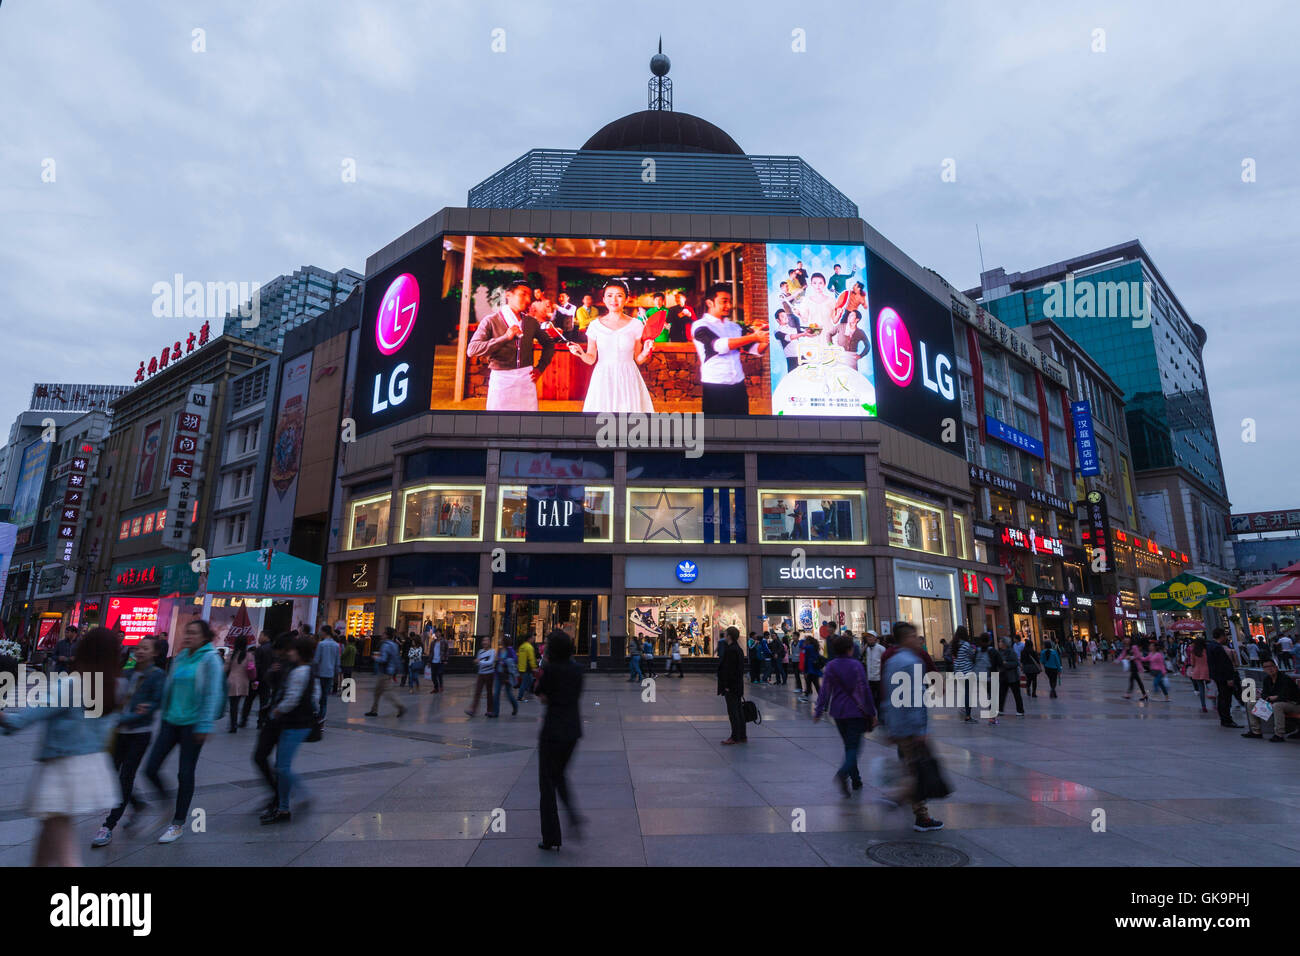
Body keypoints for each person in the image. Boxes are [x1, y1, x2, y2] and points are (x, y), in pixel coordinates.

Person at [0, 627, 121, 865]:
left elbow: (20, 720)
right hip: (92, 768)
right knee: (50, 830)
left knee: (65, 847)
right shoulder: (113, 687)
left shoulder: (73, 684)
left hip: (63, 769)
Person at [143, 619, 225, 845]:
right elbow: (170, 687)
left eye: (193, 633)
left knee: (185, 773)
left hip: (193, 724)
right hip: (171, 721)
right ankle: (167, 805)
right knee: (150, 768)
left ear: (205, 637)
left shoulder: (210, 660)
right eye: (186, 632)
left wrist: (205, 725)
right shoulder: (180, 656)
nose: (188, 636)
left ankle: (177, 823)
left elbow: (212, 694)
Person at [879, 622, 944, 832]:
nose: (918, 640)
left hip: (898, 724)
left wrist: (889, 725)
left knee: (912, 768)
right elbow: (914, 699)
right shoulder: (911, 662)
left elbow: (888, 695)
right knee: (919, 771)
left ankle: (917, 812)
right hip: (911, 727)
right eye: (915, 636)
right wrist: (921, 729)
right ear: (906, 638)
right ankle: (899, 800)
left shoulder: (892, 660)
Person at [566, 279, 656, 413]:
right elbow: (591, 358)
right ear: (604, 299)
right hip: (603, 377)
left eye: (619, 295)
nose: (614, 299)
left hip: (628, 376)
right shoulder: (595, 325)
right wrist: (580, 353)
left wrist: (646, 351)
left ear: (626, 298)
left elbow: (638, 359)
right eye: (609, 295)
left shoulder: (636, 325)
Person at [467, 281, 556, 412]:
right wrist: (505, 338)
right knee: (499, 424)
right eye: (523, 294)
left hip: (527, 380)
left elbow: (549, 344)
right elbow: (472, 349)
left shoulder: (531, 322)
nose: (527, 299)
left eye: (529, 295)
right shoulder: (491, 321)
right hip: (501, 381)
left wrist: (540, 368)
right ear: (508, 295)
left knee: (527, 424)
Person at [261, 634, 321, 824]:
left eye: (293, 650)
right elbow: (316, 696)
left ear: (300, 652)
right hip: (298, 723)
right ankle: (283, 805)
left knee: (282, 767)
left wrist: (276, 711)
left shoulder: (300, 671)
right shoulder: (308, 670)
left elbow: (292, 698)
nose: (290, 652)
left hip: (295, 723)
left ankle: (284, 807)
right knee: (282, 766)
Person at [535, 630, 585, 850]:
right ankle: (573, 813)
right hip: (573, 730)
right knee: (560, 774)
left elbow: (542, 696)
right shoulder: (578, 669)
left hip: (552, 731)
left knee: (547, 784)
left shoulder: (551, 669)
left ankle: (551, 837)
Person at [690, 282, 768, 415]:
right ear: (710, 303)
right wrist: (753, 337)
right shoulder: (700, 326)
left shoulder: (734, 327)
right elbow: (718, 346)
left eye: (730, 301)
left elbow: (755, 349)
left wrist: (765, 336)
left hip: (738, 386)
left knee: (741, 430)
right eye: (724, 301)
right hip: (715, 387)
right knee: (716, 432)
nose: (729, 306)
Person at [814, 633, 876, 796]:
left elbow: (825, 690)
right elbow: (865, 690)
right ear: (850, 649)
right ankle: (843, 773)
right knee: (854, 747)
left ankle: (856, 780)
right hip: (855, 711)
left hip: (838, 712)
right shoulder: (856, 665)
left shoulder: (831, 666)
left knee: (849, 746)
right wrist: (872, 712)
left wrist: (819, 710)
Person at [1241, 657, 1300, 741]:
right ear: (1264, 670)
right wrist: (1271, 698)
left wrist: (1274, 698)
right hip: (1276, 703)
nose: (1270, 669)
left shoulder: (1285, 679)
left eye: (1271, 666)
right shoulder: (1267, 680)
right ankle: (1256, 732)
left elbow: (1285, 696)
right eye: (1266, 667)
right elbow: (1264, 694)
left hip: (1294, 705)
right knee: (1251, 703)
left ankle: (1279, 734)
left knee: (1277, 705)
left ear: (1276, 667)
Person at [364, 629, 405, 718]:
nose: (382, 635)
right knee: (377, 691)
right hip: (390, 670)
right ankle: (374, 710)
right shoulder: (394, 645)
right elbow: (396, 658)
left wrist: (375, 658)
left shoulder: (385, 645)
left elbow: (384, 659)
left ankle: (400, 706)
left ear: (386, 635)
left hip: (384, 671)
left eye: (383, 633)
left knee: (387, 691)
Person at [1207, 627, 1242, 728]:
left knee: (1222, 698)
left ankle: (1224, 718)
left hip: (1218, 676)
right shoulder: (1217, 647)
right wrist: (1229, 678)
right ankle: (1227, 719)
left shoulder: (1210, 646)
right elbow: (1223, 664)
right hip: (1223, 677)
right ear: (1222, 636)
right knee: (1226, 698)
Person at [717, 626, 747, 745]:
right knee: (739, 711)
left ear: (729, 636)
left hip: (732, 686)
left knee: (733, 712)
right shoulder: (737, 649)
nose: (724, 635)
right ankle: (742, 735)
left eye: (725, 633)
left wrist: (727, 685)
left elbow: (730, 670)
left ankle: (735, 736)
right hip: (737, 685)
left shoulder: (731, 650)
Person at [224, 633, 255, 732]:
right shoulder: (249, 655)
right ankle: (235, 724)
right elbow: (251, 669)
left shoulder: (231, 654)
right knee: (237, 703)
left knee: (233, 705)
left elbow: (225, 668)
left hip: (232, 681)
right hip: (243, 682)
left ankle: (233, 725)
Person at [465, 637, 496, 717]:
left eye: (486, 640)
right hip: (481, 674)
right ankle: (473, 710)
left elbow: (490, 662)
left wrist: (479, 661)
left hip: (489, 674)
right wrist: (477, 663)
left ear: (489, 642)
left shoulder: (492, 651)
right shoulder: (480, 651)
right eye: (483, 640)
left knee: (489, 693)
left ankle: (490, 710)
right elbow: (479, 663)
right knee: (477, 692)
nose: (484, 642)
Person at [951, 626, 976, 720]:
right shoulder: (966, 644)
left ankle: (964, 709)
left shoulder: (954, 644)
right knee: (968, 693)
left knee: (964, 691)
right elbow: (972, 655)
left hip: (958, 671)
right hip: (967, 671)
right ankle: (968, 715)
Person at [315, 626, 341, 715]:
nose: (319, 633)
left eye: (320, 631)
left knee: (317, 694)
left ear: (324, 632)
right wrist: (336, 674)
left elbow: (316, 660)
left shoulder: (321, 644)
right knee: (325, 695)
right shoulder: (336, 645)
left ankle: (318, 713)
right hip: (330, 673)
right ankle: (322, 714)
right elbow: (337, 662)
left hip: (320, 672)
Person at [997, 636, 1025, 718]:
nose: (999, 643)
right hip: (1003, 676)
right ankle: (1000, 710)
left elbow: (1015, 663)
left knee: (1016, 694)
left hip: (1013, 677)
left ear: (1005, 644)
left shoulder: (1011, 652)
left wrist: (1005, 664)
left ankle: (1020, 710)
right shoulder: (1000, 652)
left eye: (1000, 642)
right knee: (1001, 694)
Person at [492, 640, 519, 717]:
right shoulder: (499, 650)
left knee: (508, 694)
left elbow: (515, 660)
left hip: (507, 675)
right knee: (496, 693)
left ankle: (515, 706)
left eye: (502, 640)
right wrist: (497, 661)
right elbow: (496, 660)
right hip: (499, 674)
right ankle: (495, 712)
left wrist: (504, 661)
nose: (500, 641)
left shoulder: (510, 650)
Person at [254, 631, 275, 727]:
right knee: (264, 701)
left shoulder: (260, 649)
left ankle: (244, 719)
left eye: (260, 636)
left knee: (250, 699)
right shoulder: (274, 649)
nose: (258, 638)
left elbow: (257, 665)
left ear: (266, 636)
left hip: (259, 678)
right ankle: (261, 720)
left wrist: (255, 679)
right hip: (268, 679)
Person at [801, 633, 824, 702]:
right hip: (813, 668)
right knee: (810, 683)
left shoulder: (810, 647)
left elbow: (801, 646)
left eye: (806, 641)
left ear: (809, 641)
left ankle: (821, 698)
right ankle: (807, 696)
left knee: (814, 684)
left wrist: (803, 640)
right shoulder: (814, 646)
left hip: (812, 669)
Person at [517, 635, 538, 699]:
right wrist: (534, 667)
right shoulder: (529, 647)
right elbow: (531, 658)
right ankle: (520, 696)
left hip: (521, 668)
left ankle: (526, 693)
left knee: (529, 680)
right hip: (527, 668)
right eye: (532, 638)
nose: (533, 640)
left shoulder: (521, 647)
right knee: (525, 682)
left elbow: (519, 657)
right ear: (529, 639)